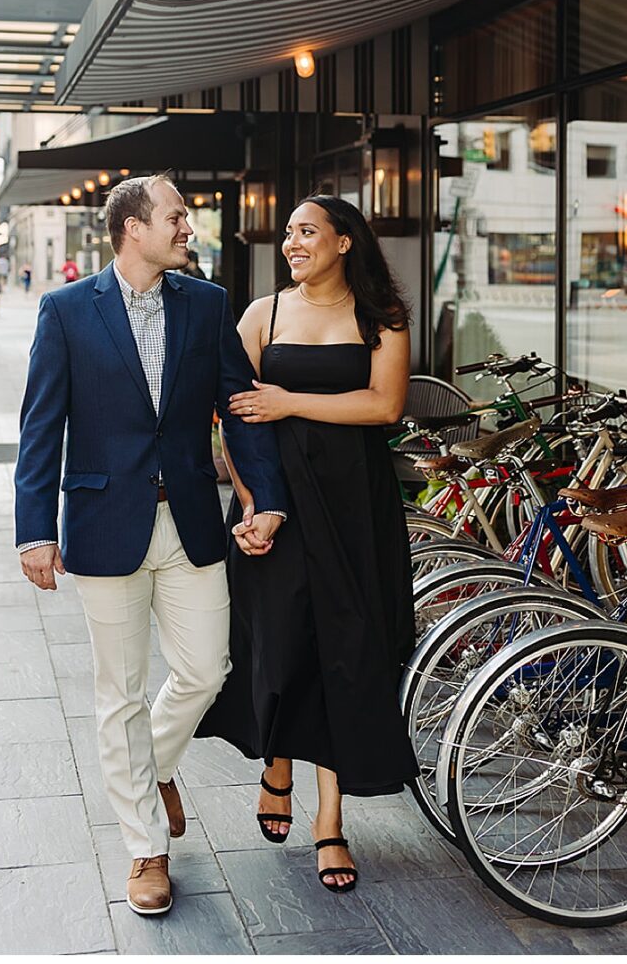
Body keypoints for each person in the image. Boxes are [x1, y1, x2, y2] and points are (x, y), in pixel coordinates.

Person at [15, 174, 288, 919]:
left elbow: (239, 409)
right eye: (176, 217)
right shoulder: (67, 310)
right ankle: (145, 847)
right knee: (120, 691)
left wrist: (264, 497)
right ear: (133, 228)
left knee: (206, 669)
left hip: (190, 519)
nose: (187, 228)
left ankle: (154, 765)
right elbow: (41, 426)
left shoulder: (207, 304)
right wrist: (34, 528)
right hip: (104, 523)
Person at [198, 195, 417, 892]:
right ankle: (275, 764)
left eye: (307, 231)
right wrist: (252, 502)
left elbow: (384, 405)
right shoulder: (261, 315)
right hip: (279, 504)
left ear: (344, 242)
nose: (293, 243)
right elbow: (233, 418)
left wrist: (290, 400)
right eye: (289, 232)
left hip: (355, 509)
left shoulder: (382, 317)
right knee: (280, 643)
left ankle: (329, 821)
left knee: (344, 655)